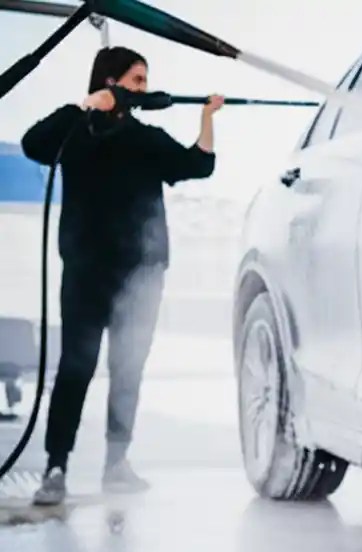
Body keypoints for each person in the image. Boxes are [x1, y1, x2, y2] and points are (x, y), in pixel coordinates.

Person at [20, 46, 224, 506]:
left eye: (145, 81)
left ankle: (117, 465)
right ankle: (56, 467)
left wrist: (209, 116)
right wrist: (86, 106)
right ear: (109, 82)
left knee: (128, 369)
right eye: (135, 80)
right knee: (76, 369)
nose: (143, 90)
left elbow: (199, 164)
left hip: (141, 276)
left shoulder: (147, 140)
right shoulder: (75, 132)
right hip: (86, 275)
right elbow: (35, 144)